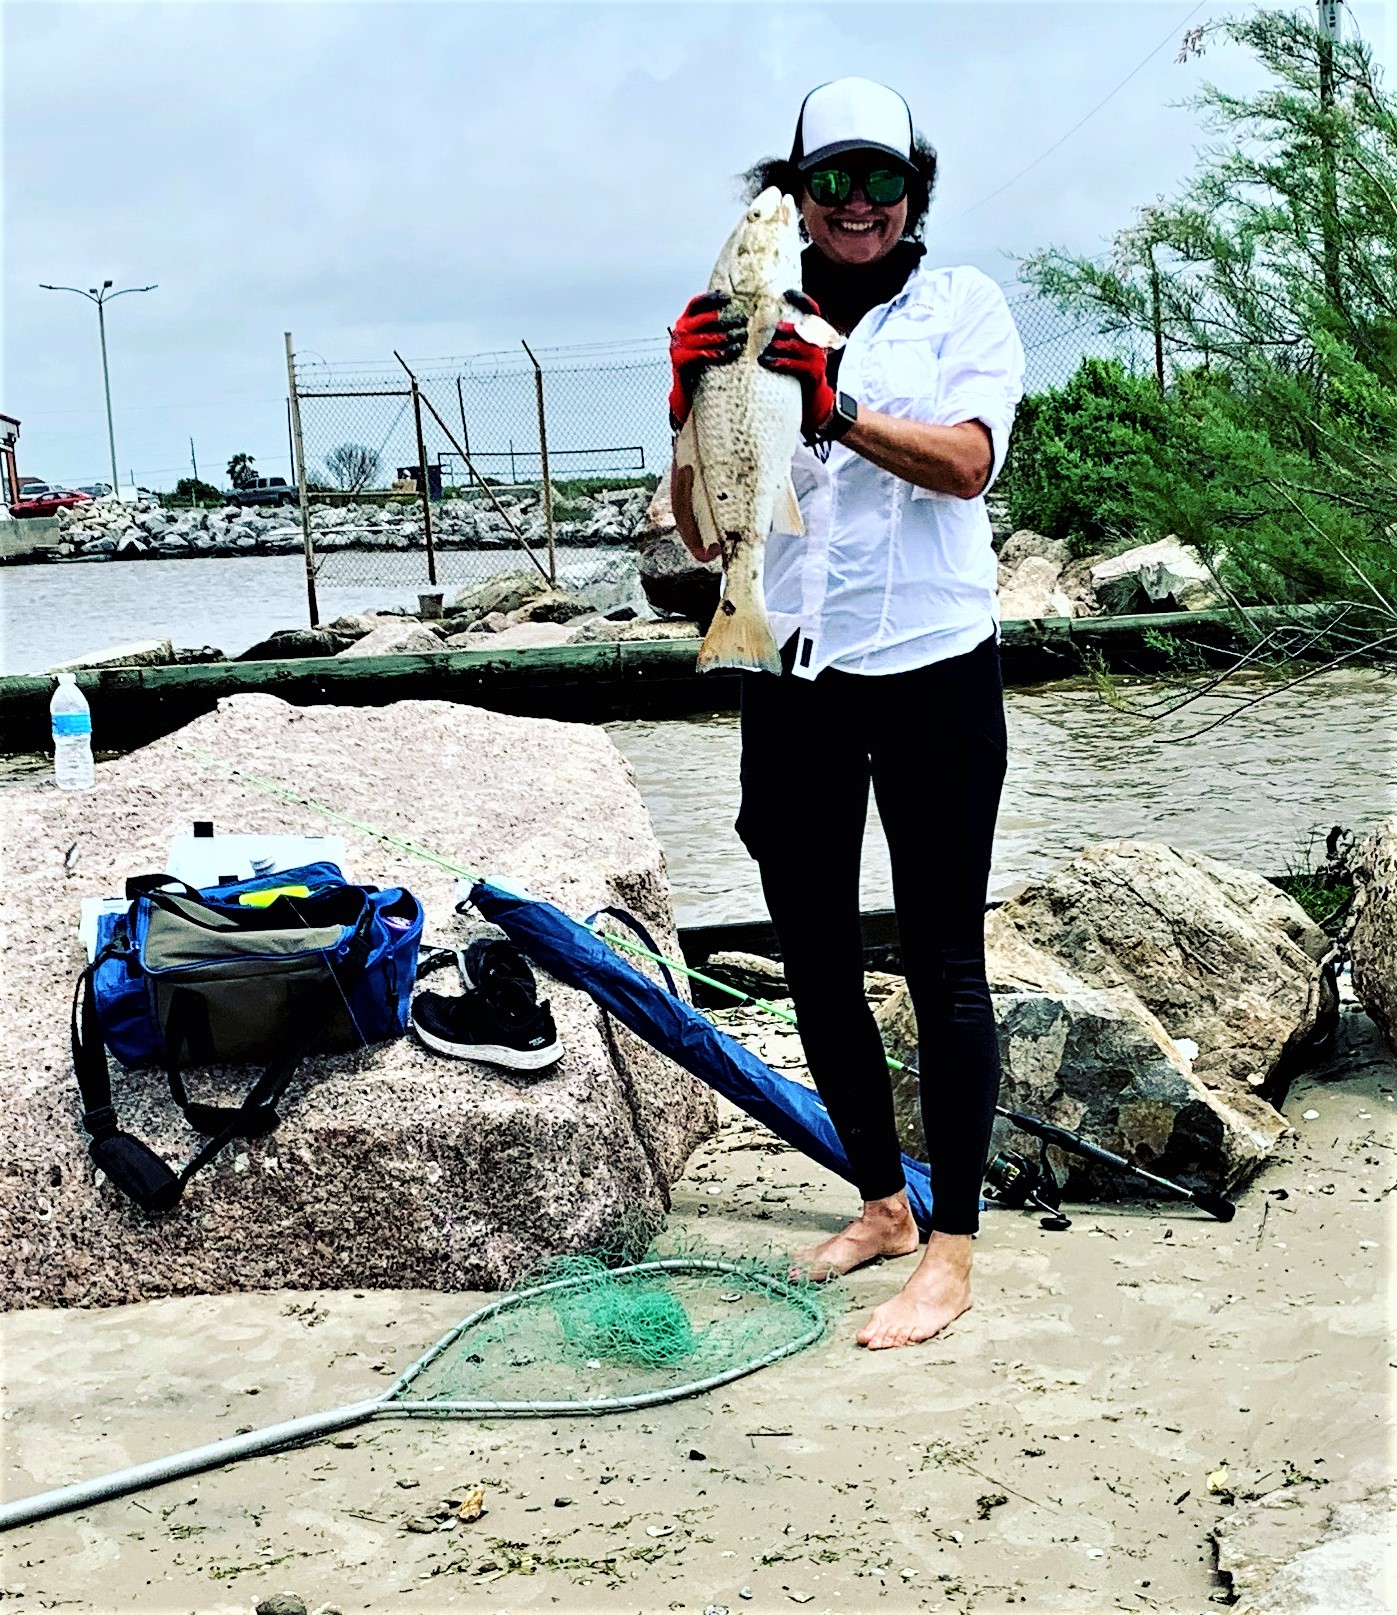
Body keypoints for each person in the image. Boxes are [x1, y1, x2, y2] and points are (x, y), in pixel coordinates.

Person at [667, 78, 1025, 1350]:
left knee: (942, 960)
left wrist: (841, 406)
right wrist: (691, 410)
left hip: (933, 663)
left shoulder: (962, 306)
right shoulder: (752, 318)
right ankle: (876, 1198)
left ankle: (952, 1245)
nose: (857, 205)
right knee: (810, 944)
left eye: (881, 179)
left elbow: (969, 463)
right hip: (791, 665)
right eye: (831, 183)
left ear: (912, 190)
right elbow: (708, 526)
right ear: (793, 198)